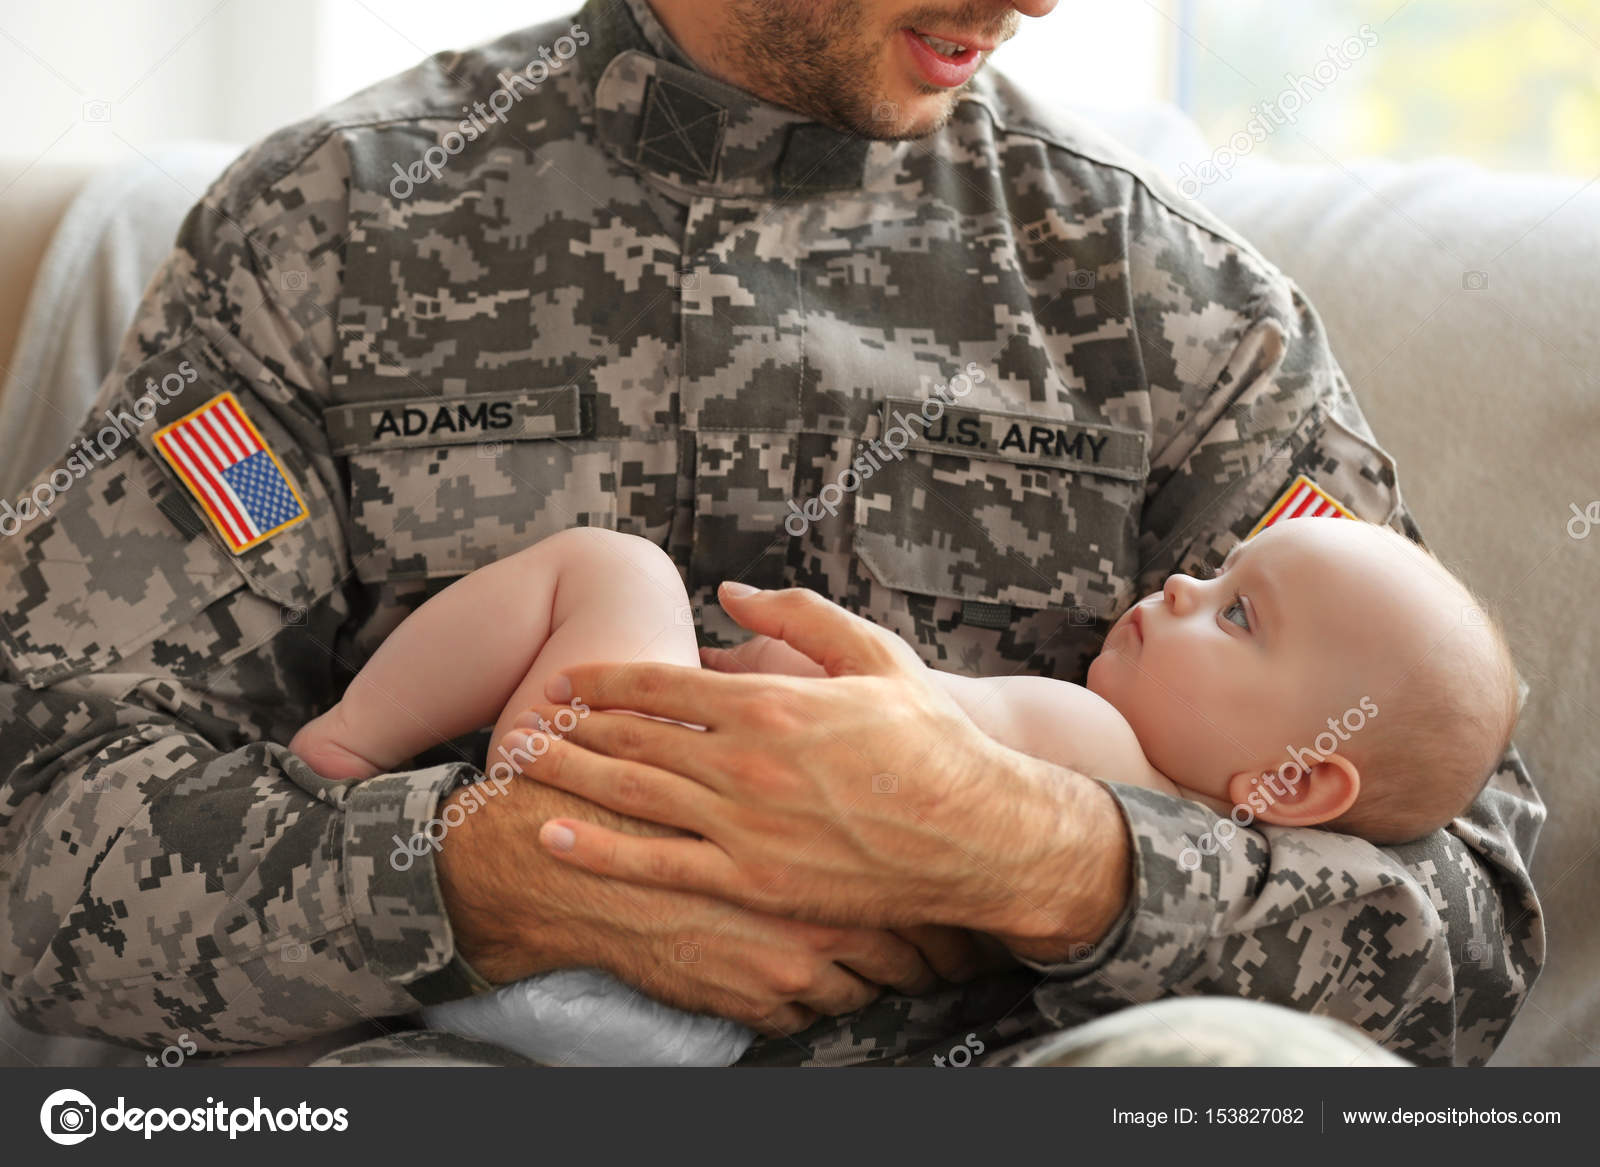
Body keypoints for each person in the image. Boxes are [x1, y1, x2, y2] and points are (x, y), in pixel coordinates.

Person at [0, 0, 1543, 1069]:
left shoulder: (1174, 313)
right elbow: (44, 823)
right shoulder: (322, 237)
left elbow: (1462, 935)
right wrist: (479, 871)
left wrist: (1050, 853)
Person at [287, 513, 1518, 1065]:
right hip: (686, 1043)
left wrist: (760, 667)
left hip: (581, 870)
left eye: (1235, 613)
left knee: (613, 571)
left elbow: (857, 749)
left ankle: (345, 747)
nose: (1179, 588)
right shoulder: (1136, 816)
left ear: (1296, 780)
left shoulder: (1080, 731)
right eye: (1212, 568)